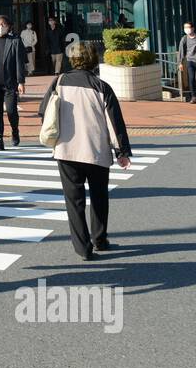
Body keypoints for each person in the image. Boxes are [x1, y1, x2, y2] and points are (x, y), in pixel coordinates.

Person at [37, 42, 132, 260]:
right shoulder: (101, 86)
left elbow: (44, 111)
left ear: (73, 59)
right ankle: (100, 239)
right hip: (95, 150)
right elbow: (114, 123)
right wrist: (122, 152)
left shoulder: (59, 81)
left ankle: (82, 248)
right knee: (99, 197)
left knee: (74, 201)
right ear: (93, 60)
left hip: (66, 149)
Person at [0, 15, 28, 149]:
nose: (0, 27)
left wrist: (21, 82)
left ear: (8, 27)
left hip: (10, 83)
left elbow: (20, 63)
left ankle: (15, 131)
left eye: (3, 24)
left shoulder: (15, 41)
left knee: (12, 111)